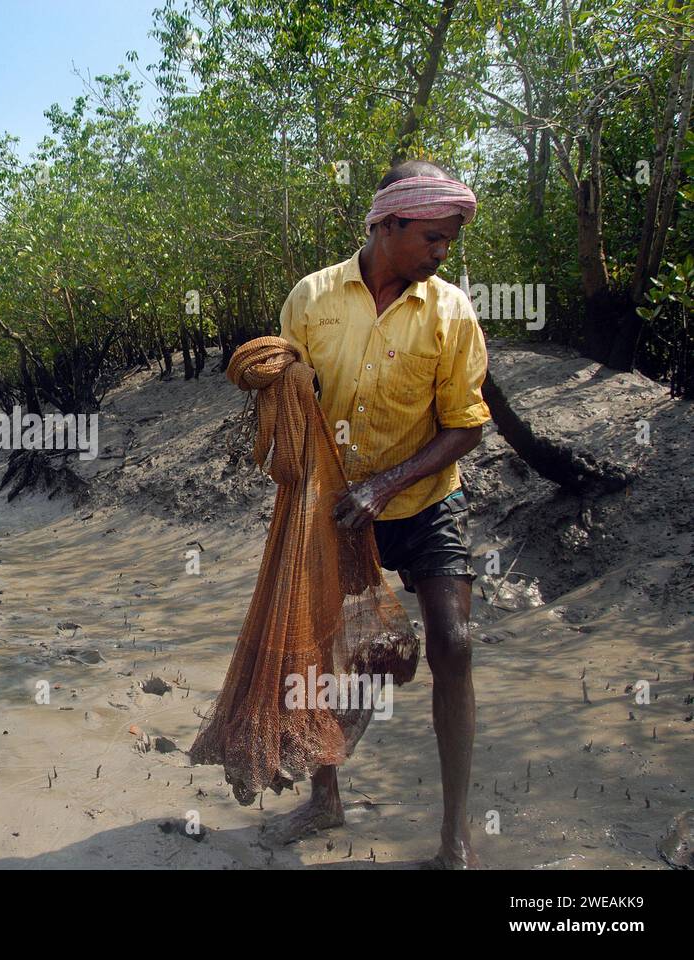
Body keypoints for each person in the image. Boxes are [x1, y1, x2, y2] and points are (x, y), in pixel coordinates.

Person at [272, 159, 491, 869]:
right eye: (433, 237)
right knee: (326, 655)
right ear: (389, 224)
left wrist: (388, 484)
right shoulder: (311, 299)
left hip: (425, 498)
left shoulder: (451, 311)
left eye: (449, 241)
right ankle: (325, 794)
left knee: (453, 645)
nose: (441, 253)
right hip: (338, 506)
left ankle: (455, 840)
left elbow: (466, 426)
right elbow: (291, 401)